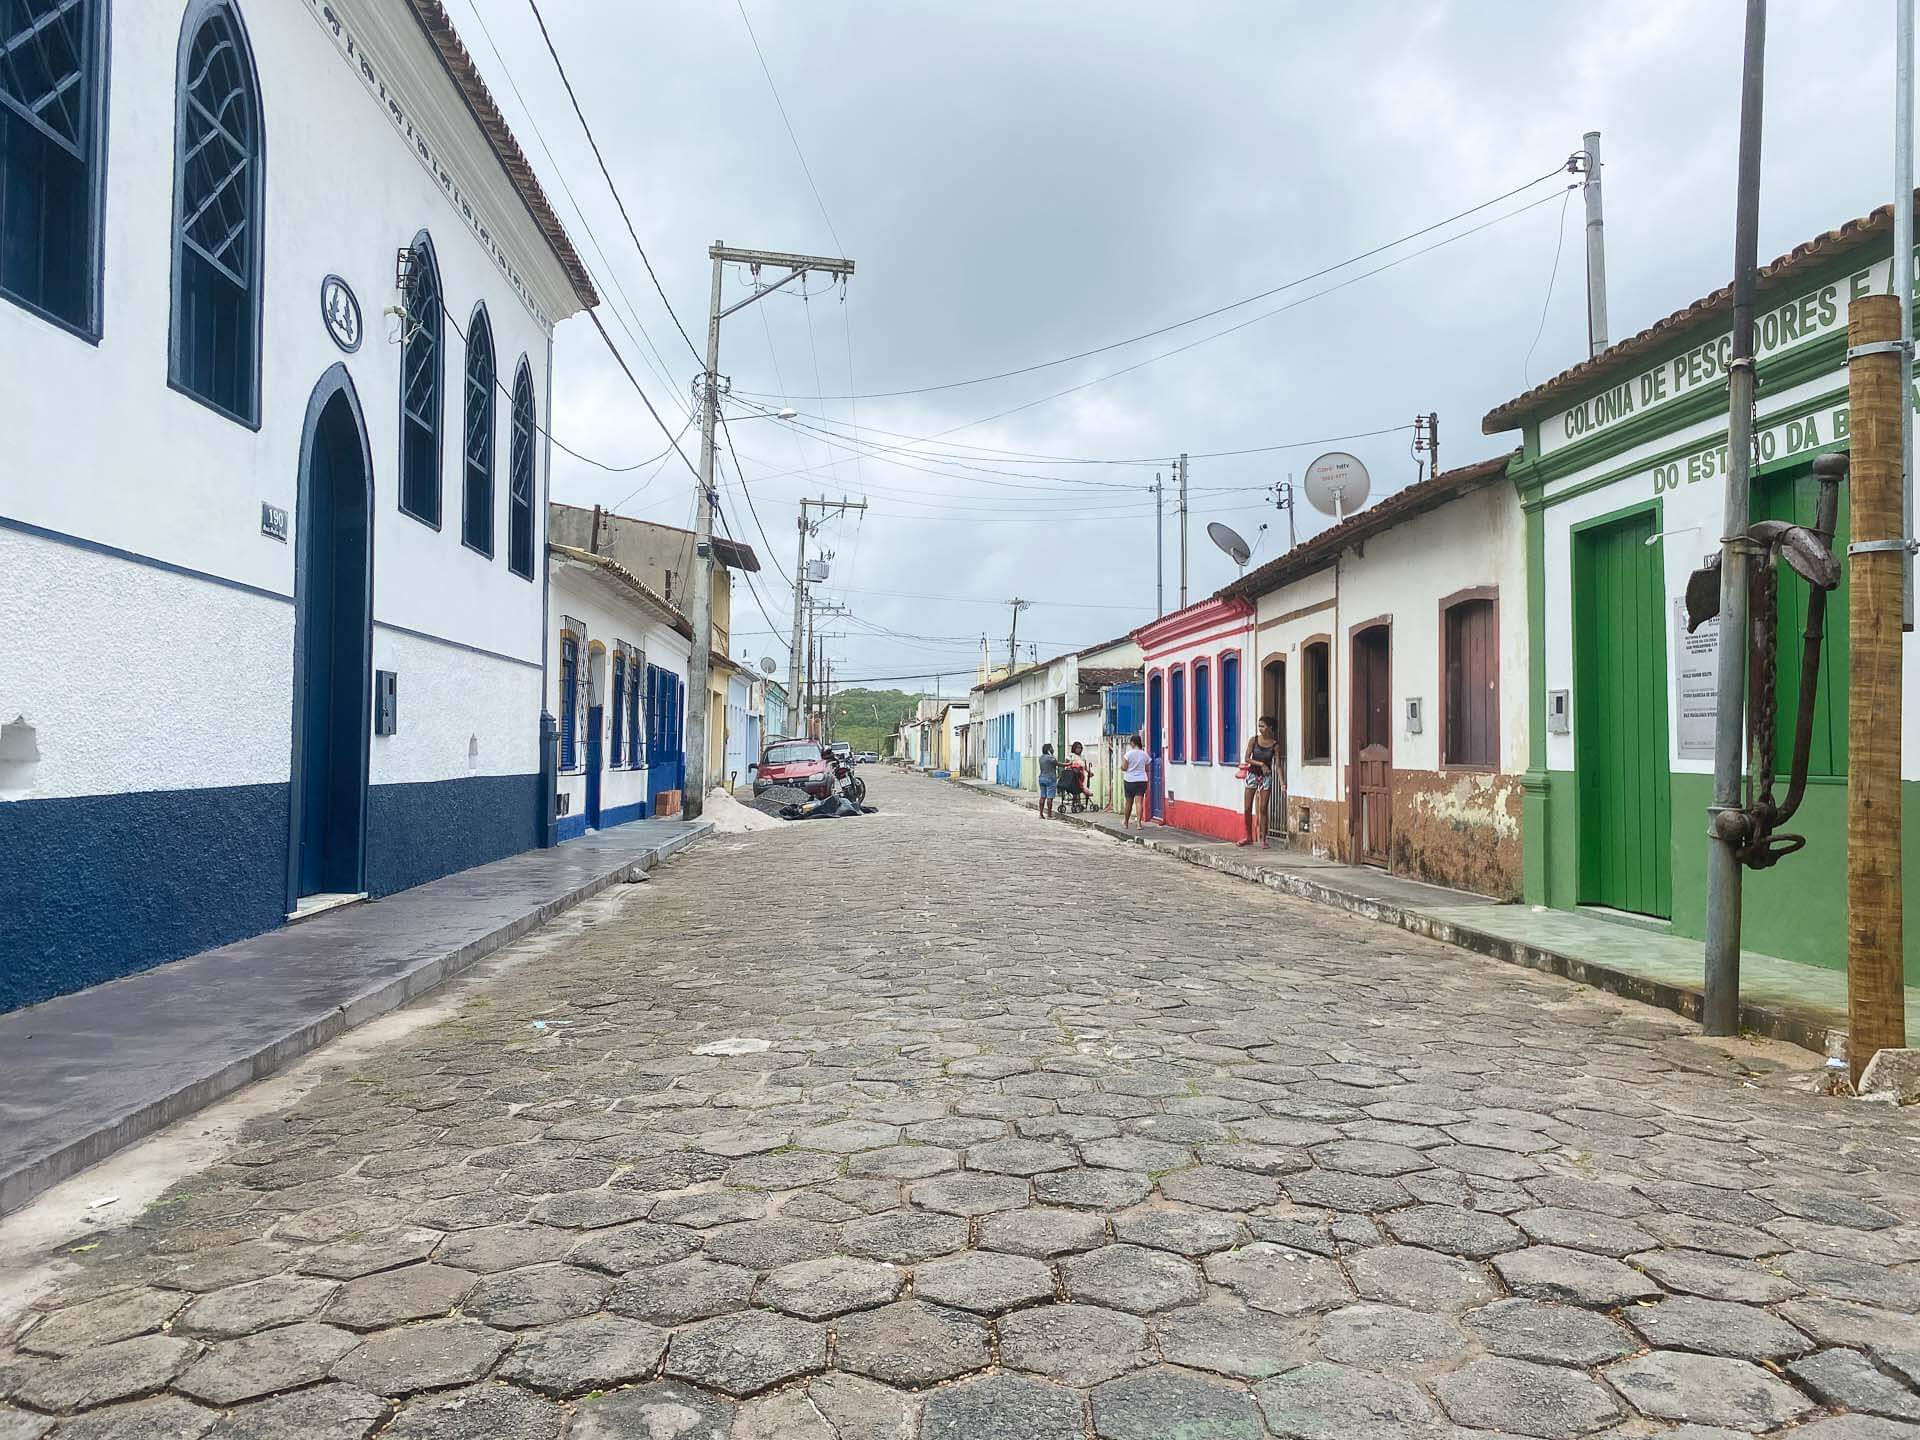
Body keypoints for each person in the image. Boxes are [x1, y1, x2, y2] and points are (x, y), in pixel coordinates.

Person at [1238, 714, 1279, 848]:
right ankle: (1248, 836)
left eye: (1262, 726)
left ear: (1270, 728)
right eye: (1259, 726)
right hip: (1252, 774)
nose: (1260, 729)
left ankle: (1263, 839)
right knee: (1247, 807)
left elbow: (1277, 765)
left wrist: (1283, 783)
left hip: (1266, 777)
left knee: (1263, 808)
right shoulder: (1253, 740)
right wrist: (1261, 764)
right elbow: (1247, 758)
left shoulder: (1274, 745)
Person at [1121, 732, 1150, 828]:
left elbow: (1124, 767)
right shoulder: (1144, 754)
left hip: (1129, 780)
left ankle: (1126, 822)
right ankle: (1139, 824)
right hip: (1142, 780)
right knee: (1139, 802)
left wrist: (1122, 767)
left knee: (1129, 802)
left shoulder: (1128, 754)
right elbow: (1147, 769)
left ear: (1133, 743)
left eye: (1131, 743)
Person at [1064, 741, 1090, 812]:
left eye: (1080, 748)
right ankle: (1076, 804)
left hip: (1081, 776)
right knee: (1075, 790)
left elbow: (1085, 766)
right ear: (1074, 748)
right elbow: (1066, 765)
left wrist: (1089, 772)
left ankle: (1078, 803)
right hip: (1072, 776)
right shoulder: (1070, 756)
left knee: (1079, 789)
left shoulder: (1082, 757)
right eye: (1077, 748)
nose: (1079, 749)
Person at [1037, 744, 1059, 818]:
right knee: (1050, 797)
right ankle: (1049, 815)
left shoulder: (1041, 758)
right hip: (1050, 779)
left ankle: (1041, 814)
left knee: (1042, 796)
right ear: (1049, 749)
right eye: (1052, 748)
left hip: (1042, 778)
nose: (1053, 749)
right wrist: (1067, 764)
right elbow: (1057, 763)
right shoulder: (1050, 758)